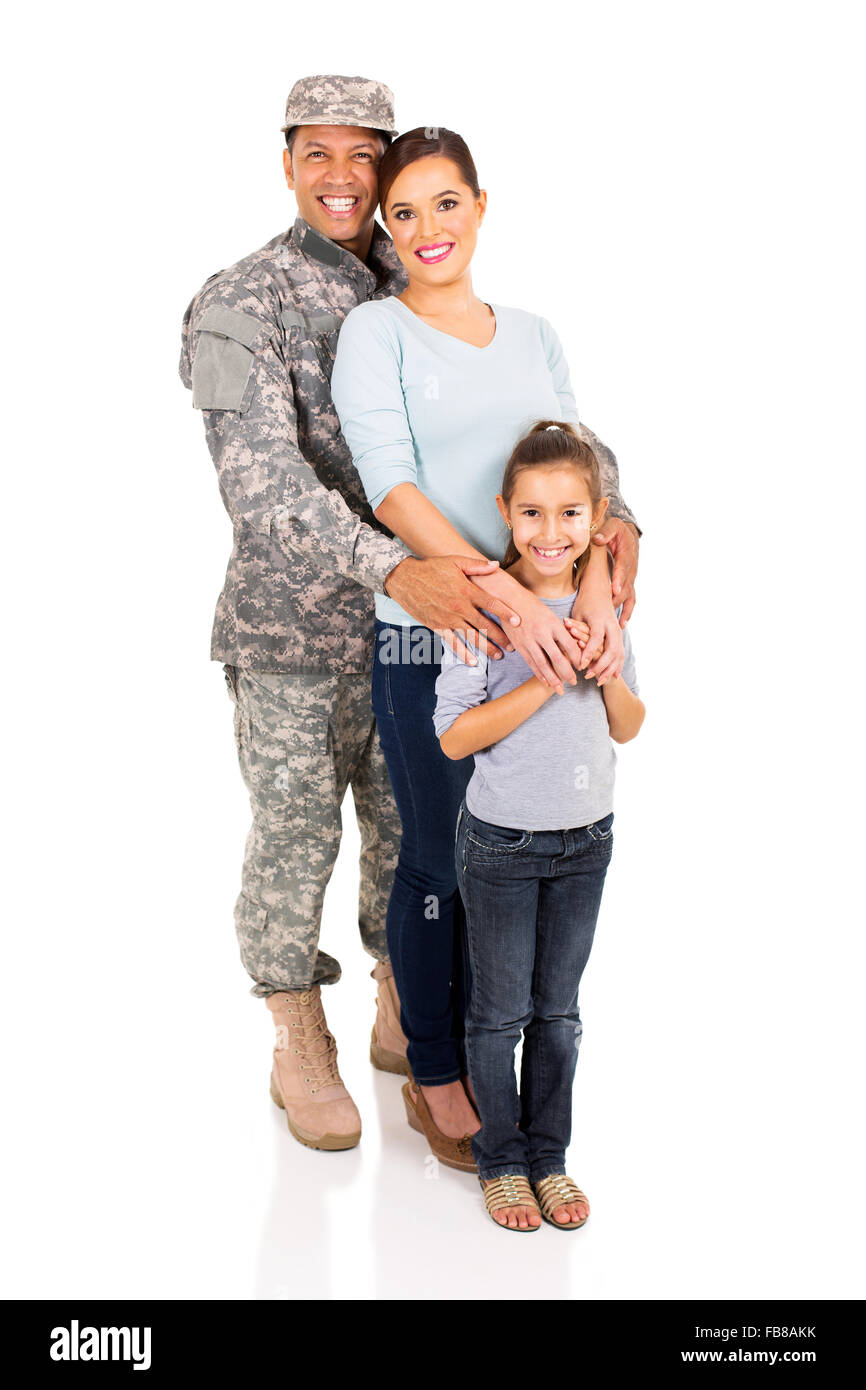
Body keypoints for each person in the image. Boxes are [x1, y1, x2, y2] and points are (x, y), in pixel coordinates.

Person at [178, 77, 523, 1154]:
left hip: (419, 640)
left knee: (414, 841)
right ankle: (295, 1038)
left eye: (362, 156)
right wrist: (393, 568)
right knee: (293, 837)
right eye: (316, 153)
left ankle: (402, 1016)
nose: (341, 176)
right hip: (290, 640)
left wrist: (605, 513)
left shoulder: (417, 284)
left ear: (385, 173)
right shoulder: (238, 301)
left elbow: (501, 421)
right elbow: (262, 484)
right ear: (286, 164)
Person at [331, 128, 642, 1169]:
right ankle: (433, 1070)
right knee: (438, 859)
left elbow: (573, 465)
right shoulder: (376, 332)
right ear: (385, 227)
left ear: (479, 206)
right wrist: (507, 596)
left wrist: (593, 583)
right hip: (437, 638)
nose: (427, 230)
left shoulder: (534, 333)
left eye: (445, 203)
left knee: (518, 859)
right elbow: (391, 484)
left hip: (549, 638)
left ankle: (499, 1061)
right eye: (404, 213)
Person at [434, 420, 645, 1229]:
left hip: (587, 838)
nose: (548, 533)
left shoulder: (608, 605)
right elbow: (454, 735)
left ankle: (549, 1158)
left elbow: (627, 724)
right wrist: (545, 682)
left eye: (568, 515)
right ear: (505, 512)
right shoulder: (484, 612)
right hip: (502, 844)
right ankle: (500, 1160)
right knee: (498, 1014)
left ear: (598, 522)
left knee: (559, 1012)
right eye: (531, 514)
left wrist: (607, 671)